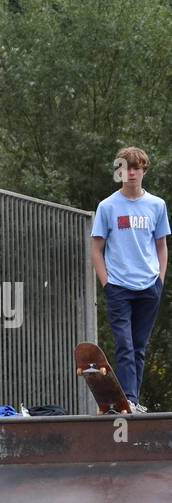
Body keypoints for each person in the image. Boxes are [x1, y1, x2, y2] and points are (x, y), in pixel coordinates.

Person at [90, 146, 169, 413]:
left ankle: (132, 399)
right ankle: (130, 401)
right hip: (119, 288)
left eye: (136, 168)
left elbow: (161, 246)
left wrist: (160, 279)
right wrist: (107, 284)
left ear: (143, 170)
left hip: (149, 286)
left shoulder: (156, 205)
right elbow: (96, 249)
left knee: (139, 347)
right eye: (125, 168)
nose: (131, 173)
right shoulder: (107, 206)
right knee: (124, 344)